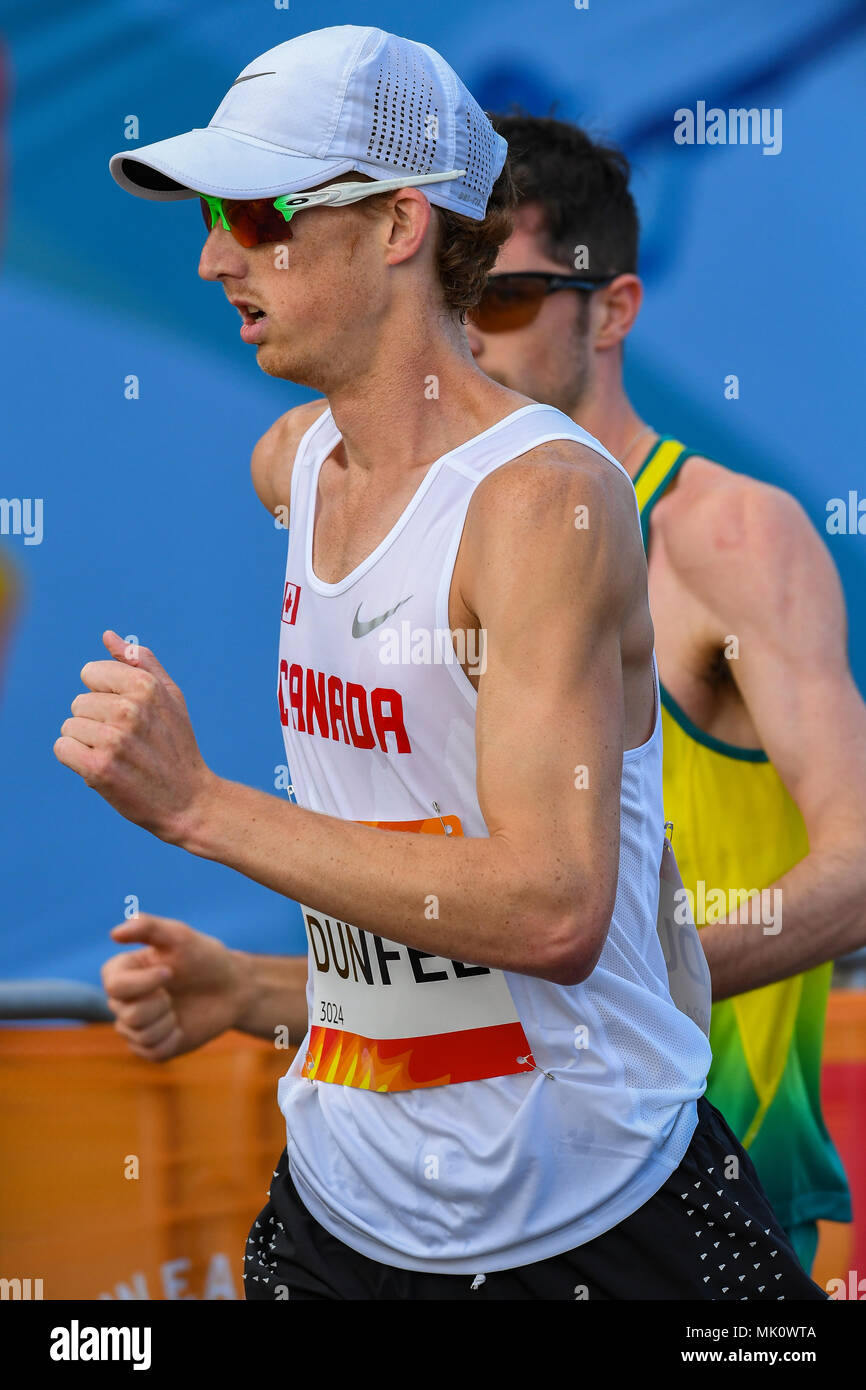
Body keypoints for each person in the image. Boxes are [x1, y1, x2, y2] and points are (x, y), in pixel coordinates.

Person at [72, 26, 825, 1299]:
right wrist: (262, 984)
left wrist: (201, 808)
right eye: (211, 215)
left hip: (592, 1217)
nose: (212, 258)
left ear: (398, 225)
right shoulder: (294, 465)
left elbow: (548, 908)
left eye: (259, 213)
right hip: (342, 1207)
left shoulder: (545, 505)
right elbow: (418, 900)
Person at [460, 112, 865, 1273]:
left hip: (702, 1186)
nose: (465, 337)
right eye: (446, 300)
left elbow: (854, 861)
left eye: (500, 297)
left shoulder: (727, 533)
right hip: (474, 1185)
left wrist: (649, 976)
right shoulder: (429, 539)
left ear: (614, 309)